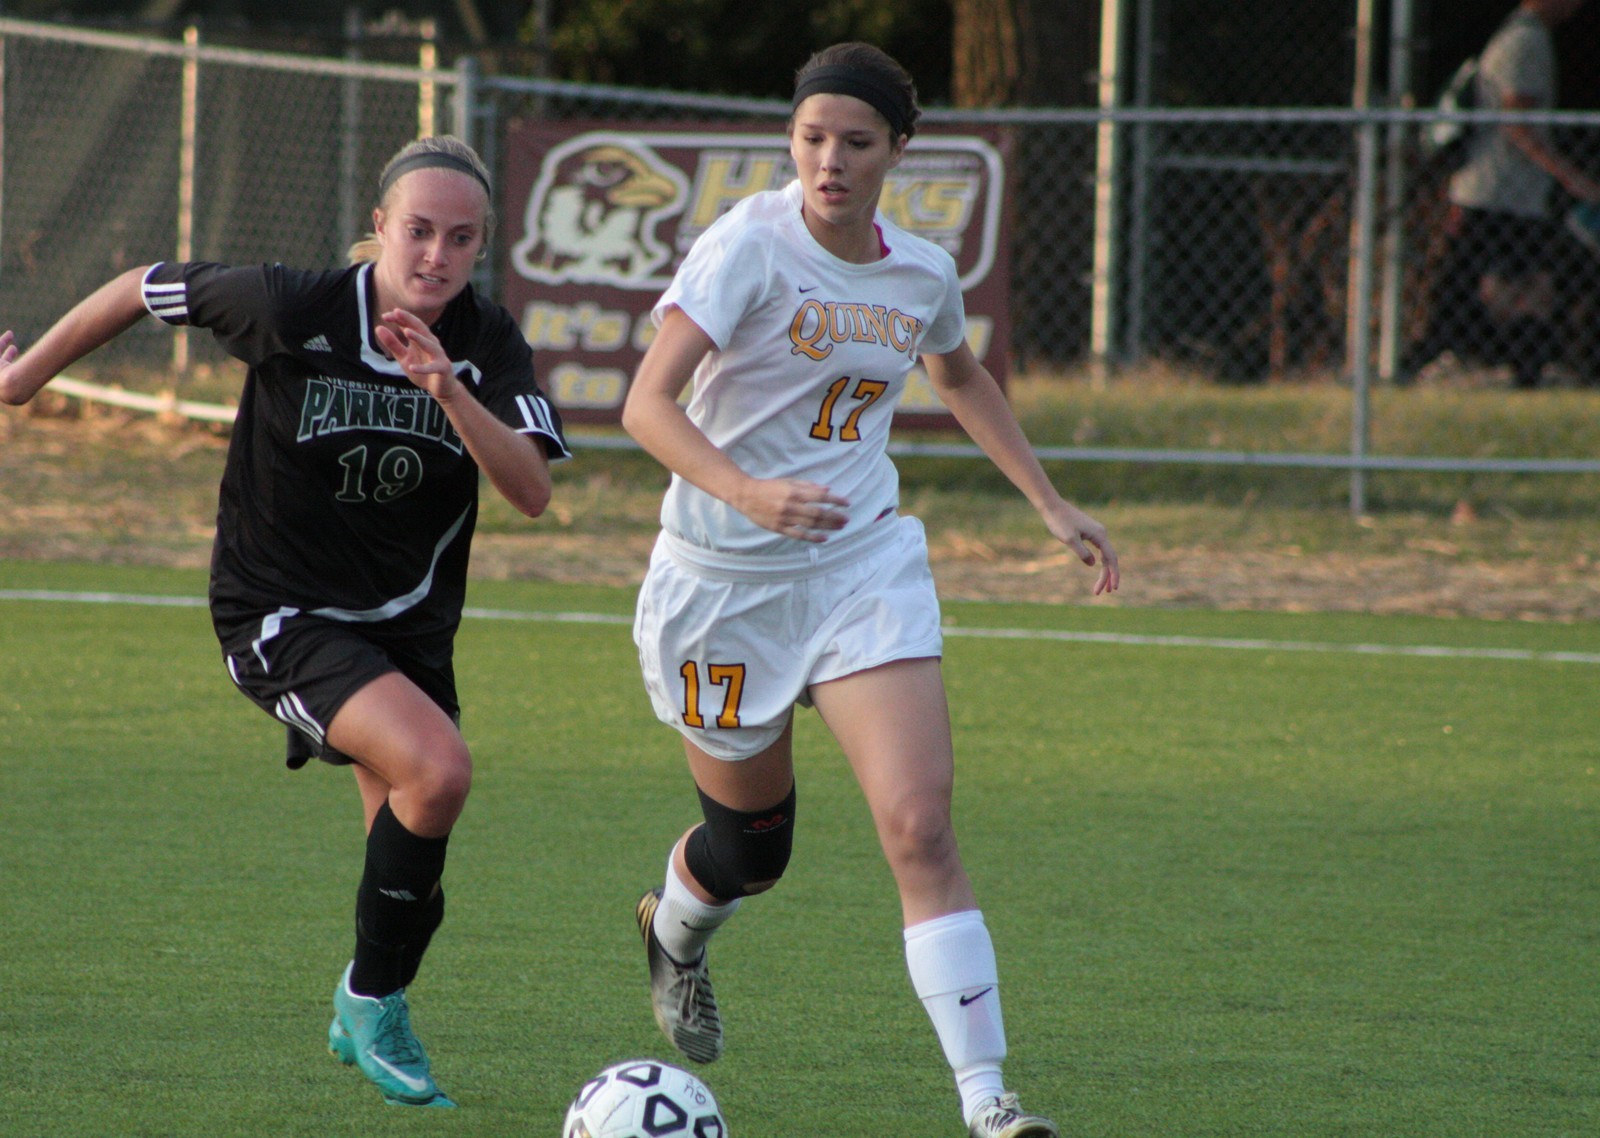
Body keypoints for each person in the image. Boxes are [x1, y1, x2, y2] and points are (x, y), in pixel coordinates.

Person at [0, 135, 571, 1108]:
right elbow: (142, 286)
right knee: (439, 771)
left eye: (460, 238)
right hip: (279, 608)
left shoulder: (482, 339)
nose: (436, 254)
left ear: (482, 247)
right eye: (418, 230)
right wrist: (22, 380)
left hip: (407, 625)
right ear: (380, 229)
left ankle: (375, 1001)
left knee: (408, 850)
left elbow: (528, 489)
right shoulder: (291, 306)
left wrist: (448, 387)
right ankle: (369, 1000)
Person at [620, 42, 1117, 1138]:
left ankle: (988, 1101)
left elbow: (957, 371)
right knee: (754, 850)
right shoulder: (746, 245)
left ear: (900, 147)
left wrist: (1046, 500)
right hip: (719, 581)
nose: (829, 161)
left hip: (859, 567)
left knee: (918, 823)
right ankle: (676, 932)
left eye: (854, 141)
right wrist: (746, 491)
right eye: (810, 138)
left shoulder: (920, 271)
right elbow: (645, 408)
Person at [1406, 0, 1600, 388]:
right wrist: (1570, 177)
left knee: (1525, 284)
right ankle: (1443, 359)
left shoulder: (1530, 37)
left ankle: (1525, 366)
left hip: (1514, 194)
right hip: (1497, 192)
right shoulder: (1523, 41)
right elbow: (1517, 122)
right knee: (1488, 285)